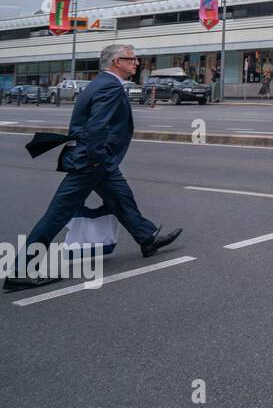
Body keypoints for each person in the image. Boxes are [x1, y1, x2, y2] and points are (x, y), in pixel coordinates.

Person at [4, 44, 182, 292]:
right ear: (116, 62)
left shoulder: (102, 83)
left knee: (122, 198)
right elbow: (98, 125)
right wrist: (98, 158)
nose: (137, 63)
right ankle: (21, 272)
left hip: (98, 160)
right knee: (57, 214)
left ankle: (147, 239)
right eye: (132, 59)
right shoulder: (109, 86)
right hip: (91, 161)